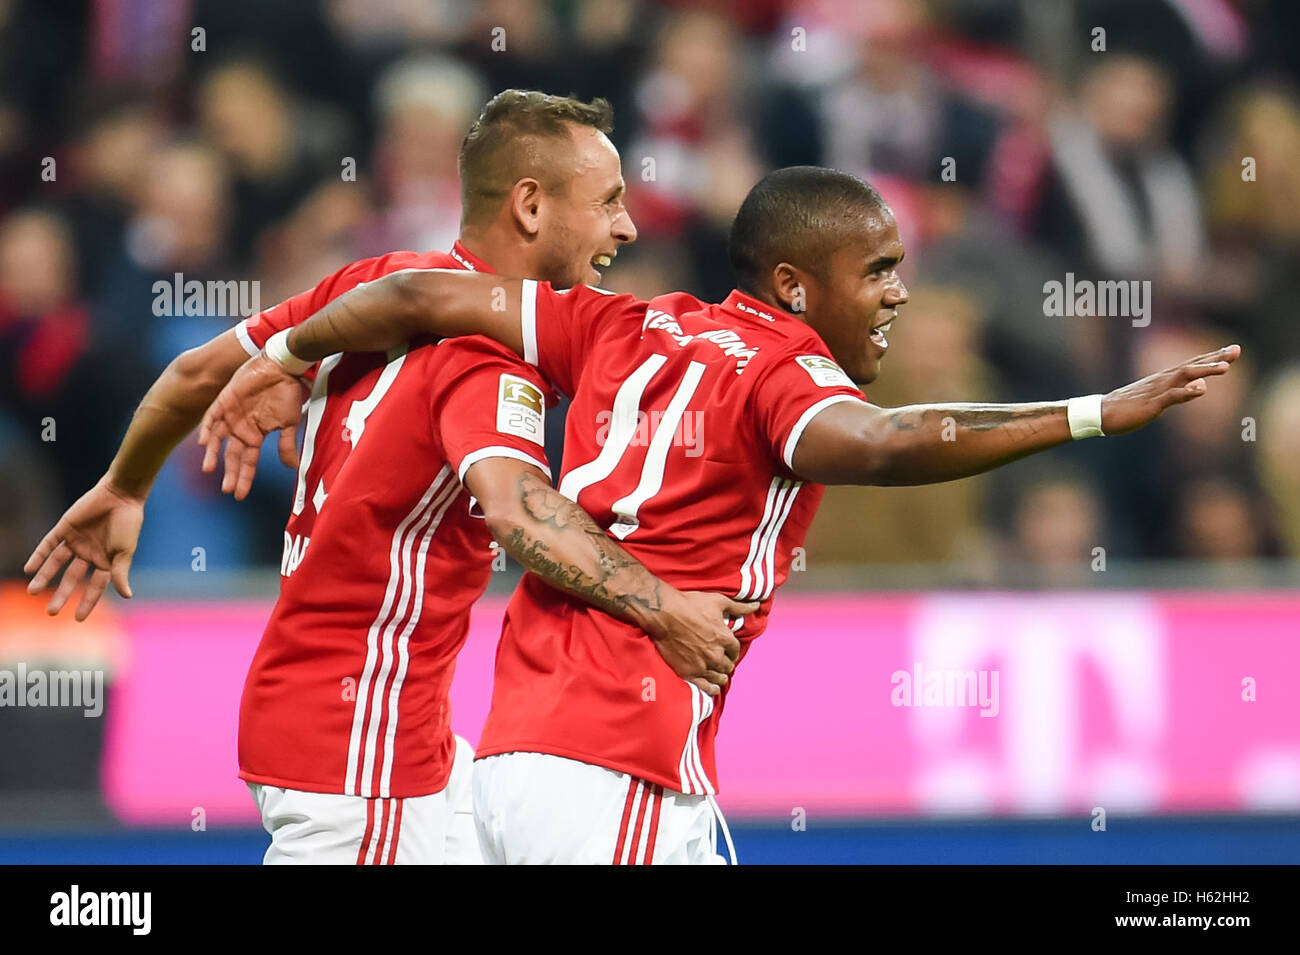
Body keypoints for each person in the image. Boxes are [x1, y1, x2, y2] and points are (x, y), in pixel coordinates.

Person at [198, 165, 1239, 864]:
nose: (897, 294)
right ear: (793, 283)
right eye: (875, 270)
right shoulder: (782, 379)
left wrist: (289, 358)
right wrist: (1094, 412)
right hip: (615, 764)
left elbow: (423, 295)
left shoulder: (625, 322)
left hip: (528, 758)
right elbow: (891, 442)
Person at [24, 90, 751, 864]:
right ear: (531, 207)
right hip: (362, 757)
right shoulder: (485, 358)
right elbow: (520, 511)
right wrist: (666, 607)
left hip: (400, 745)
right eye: (608, 201)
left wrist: (124, 486)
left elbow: (198, 371)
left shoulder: (374, 282)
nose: (626, 227)